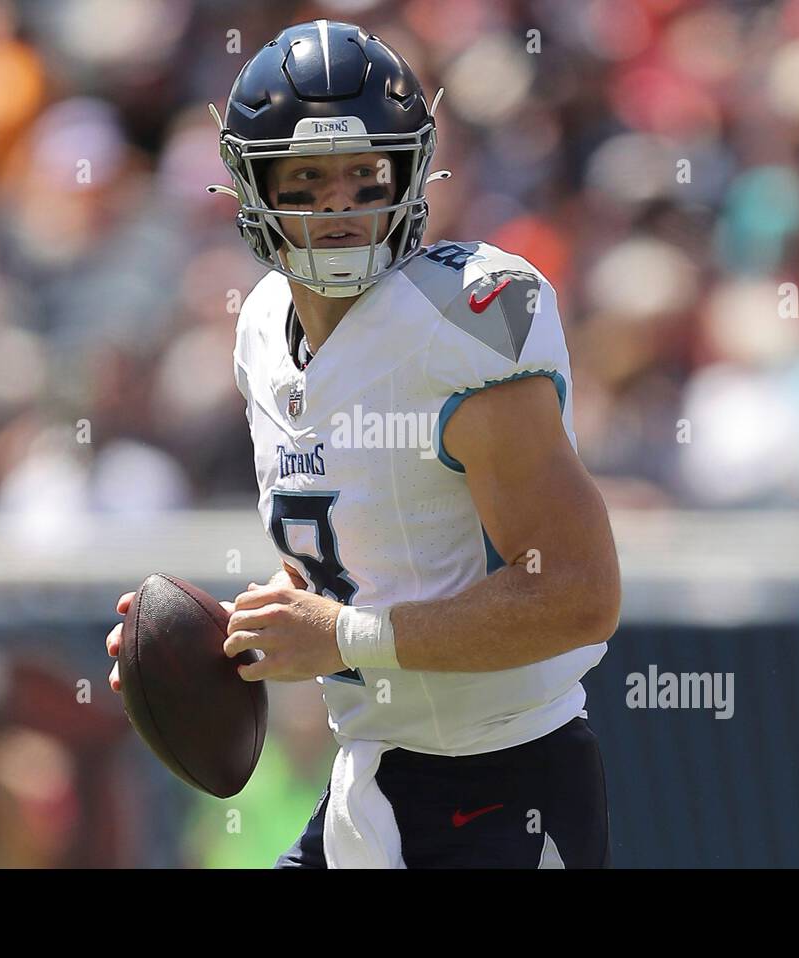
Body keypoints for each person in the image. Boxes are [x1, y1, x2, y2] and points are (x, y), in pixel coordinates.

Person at [105, 19, 621, 868]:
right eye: (307, 178)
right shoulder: (263, 330)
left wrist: (342, 638)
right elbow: (357, 562)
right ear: (252, 186)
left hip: (502, 791)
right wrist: (237, 637)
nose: (339, 204)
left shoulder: (463, 320)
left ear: (409, 173)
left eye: (363, 173)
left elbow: (576, 592)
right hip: (372, 782)